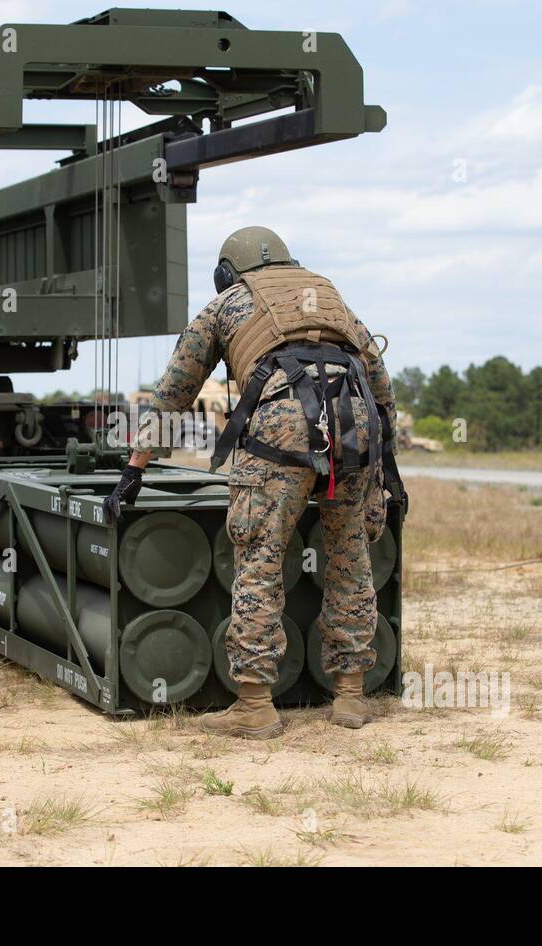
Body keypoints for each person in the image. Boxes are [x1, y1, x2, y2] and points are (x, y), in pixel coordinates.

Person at [104, 227, 401, 738]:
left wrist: (135, 469)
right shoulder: (327, 295)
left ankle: (256, 704)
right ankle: (351, 697)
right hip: (357, 429)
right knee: (350, 559)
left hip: (281, 429)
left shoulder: (226, 305)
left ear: (227, 274)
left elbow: (175, 392)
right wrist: (386, 466)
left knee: (260, 562)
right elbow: (378, 380)